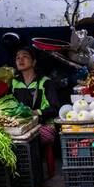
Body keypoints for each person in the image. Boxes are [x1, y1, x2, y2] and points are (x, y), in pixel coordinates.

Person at [11, 45, 66, 175]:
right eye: (18, 58)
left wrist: (37, 112)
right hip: (21, 124)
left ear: (34, 62)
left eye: (25, 56)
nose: (20, 60)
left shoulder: (45, 82)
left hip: (44, 123)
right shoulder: (14, 83)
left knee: (34, 139)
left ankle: (36, 172)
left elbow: (55, 108)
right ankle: (22, 172)